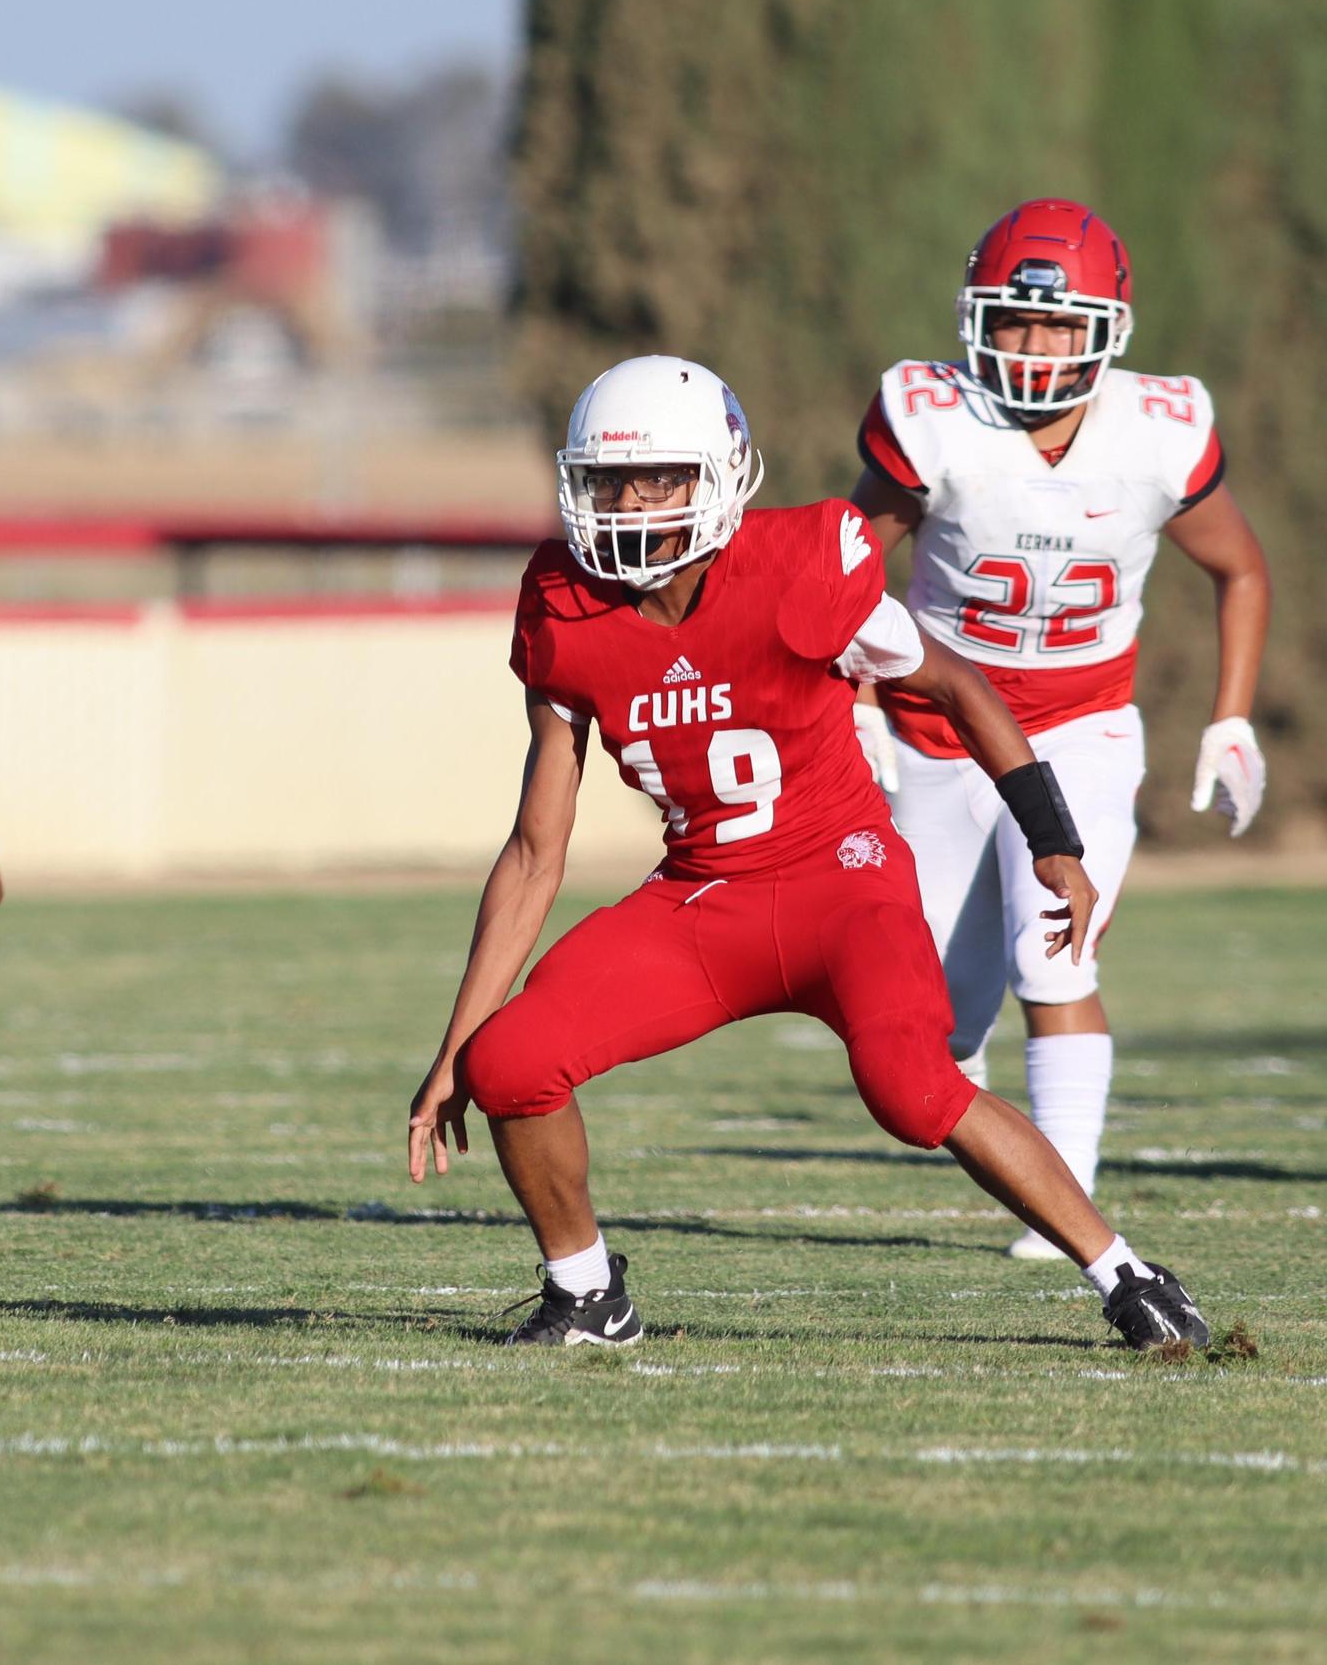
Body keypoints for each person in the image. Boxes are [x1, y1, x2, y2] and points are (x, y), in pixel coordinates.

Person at [406, 354, 1209, 1353]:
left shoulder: (800, 563)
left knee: (912, 1088)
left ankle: (1125, 1270)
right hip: (704, 897)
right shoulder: (566, 606)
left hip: (844, 881)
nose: (625, 504)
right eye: (608, 481)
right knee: (510, 1059)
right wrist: (454, 1046)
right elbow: (535, 848)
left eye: (656, 478)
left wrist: (1052, 838)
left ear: (718, 477)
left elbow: (958, 685)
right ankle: (585, 1294)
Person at [850, 198, 1271, 1257]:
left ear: (1108, 329)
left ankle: (1066, 1201)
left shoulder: (1158, 430)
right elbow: (844, 569)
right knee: (930, 1028)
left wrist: (1228, 717)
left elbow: (1238, 566)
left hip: (1076, 728)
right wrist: (849, 700)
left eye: (1057, 324)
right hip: (933, 727)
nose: (1034, 348)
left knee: (1057, 961)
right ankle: (986, 1085)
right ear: (975, 319)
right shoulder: (931, 415)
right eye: (1014, 322)